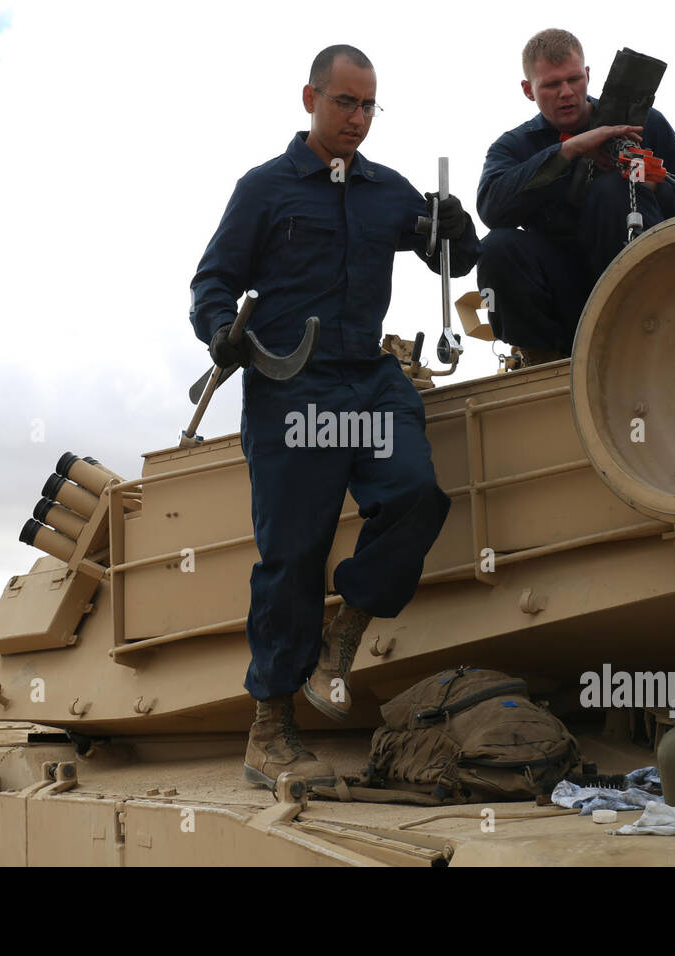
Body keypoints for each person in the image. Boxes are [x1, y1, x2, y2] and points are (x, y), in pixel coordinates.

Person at [190, 44, 481, 788]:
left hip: (369, 377)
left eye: (368, 105)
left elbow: (452, 259)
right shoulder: (266, 189)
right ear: (310, 99)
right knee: (292, 554)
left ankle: (343, 632)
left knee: (416, 493)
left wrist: (457, 226)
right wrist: (221, 327)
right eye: (344, 103)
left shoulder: (389, 190)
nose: (356, 118)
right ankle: (271, 730)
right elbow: (213, 280)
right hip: (290, 387)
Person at [477, 28, 675, 366]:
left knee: (612, 189)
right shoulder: (515, 147)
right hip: (565, 299)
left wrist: (652, 182)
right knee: (497, 247)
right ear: (529, 90)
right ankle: (542, 360)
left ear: (588, 75)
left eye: (574, 80)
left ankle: (646, 334)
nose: (567, 93)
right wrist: (567, 152)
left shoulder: (644, 127)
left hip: (646, 295)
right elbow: (491, 207)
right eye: (551, 85)